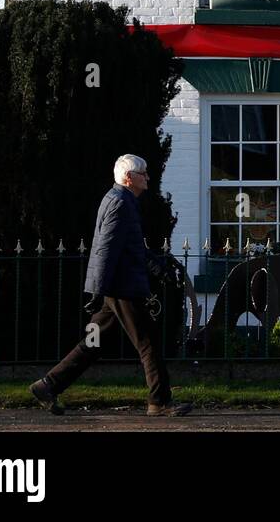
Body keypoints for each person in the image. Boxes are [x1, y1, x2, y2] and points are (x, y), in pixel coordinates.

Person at [30, 154, 191, 417]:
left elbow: (128, 246)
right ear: (129, 178)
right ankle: (159, 401)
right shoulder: (121, 204)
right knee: (148, 343)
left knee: (93, 342)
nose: (147, 177)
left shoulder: (120, 199)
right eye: (143, 173)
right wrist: (98, 291)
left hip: (114, 290)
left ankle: (48, 385)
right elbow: (106, 250)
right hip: (122, 290)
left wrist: (155, 265)